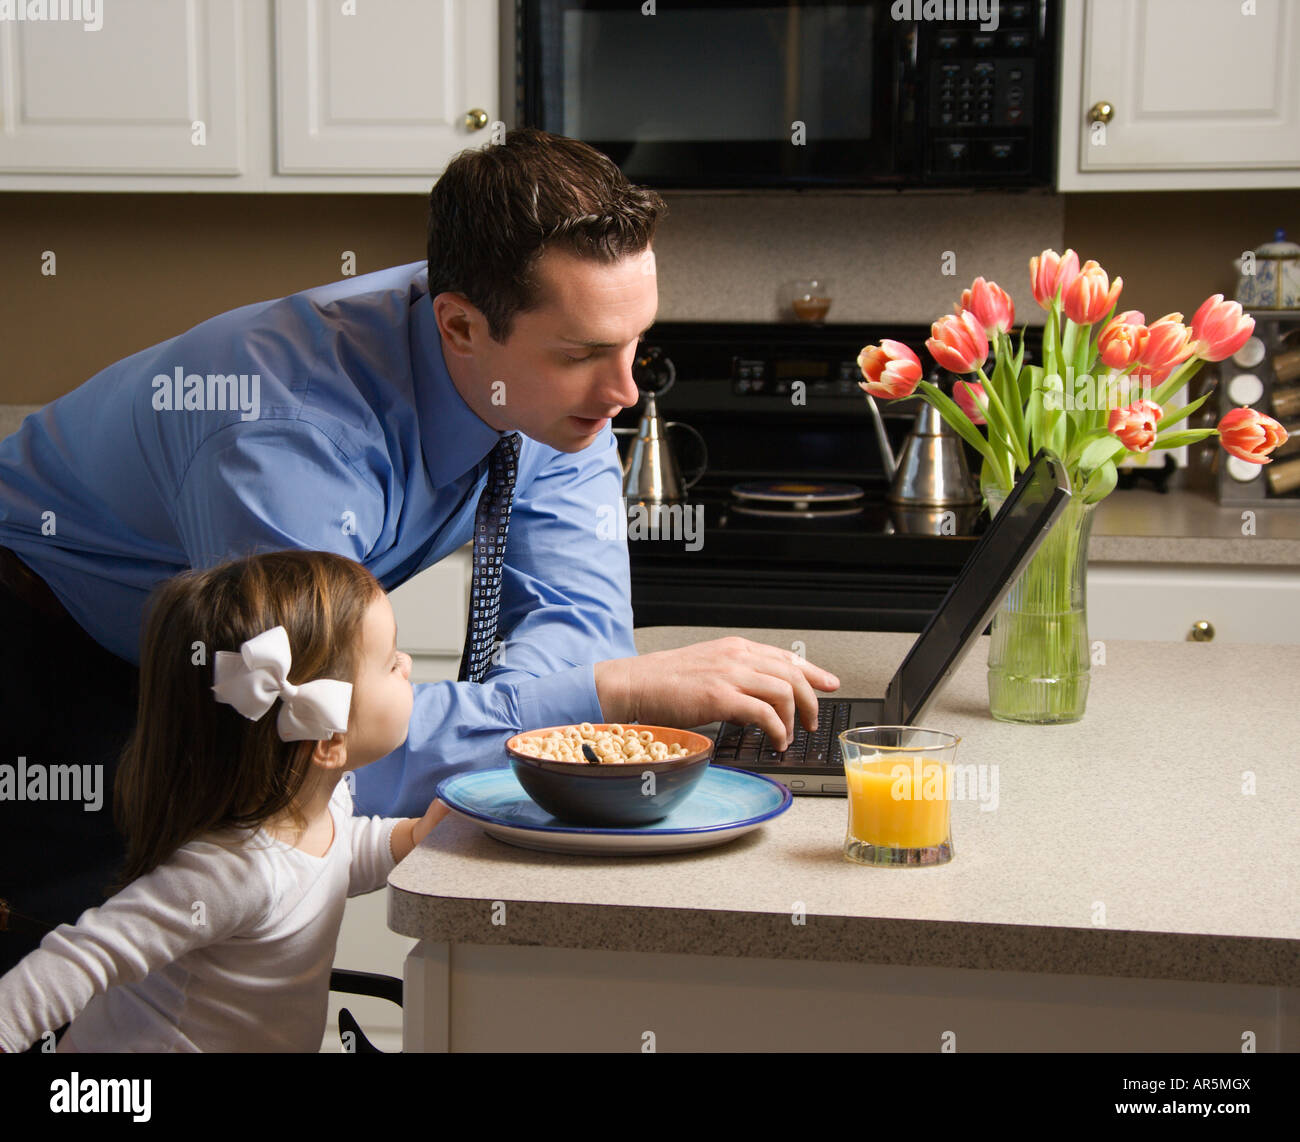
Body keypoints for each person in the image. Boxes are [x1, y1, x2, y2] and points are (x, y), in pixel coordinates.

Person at [0, 127, 838, 976]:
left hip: (209, 663)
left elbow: (575, 630)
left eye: (636, 344)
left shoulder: (547, 380)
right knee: (79, 977)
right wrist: (609, 696)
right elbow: (317, 741)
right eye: (586, 354)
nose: (624, 392)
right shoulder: (284, 439)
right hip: (43, 645)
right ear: (461, 326)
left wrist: (579, 708)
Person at [0, 550, 449, 1052]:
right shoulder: (232, 872)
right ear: (329, 741)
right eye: (390, 663)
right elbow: (83, 957)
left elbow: (335, 854)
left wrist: (408, 838)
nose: (406, 665)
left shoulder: (322, 805)